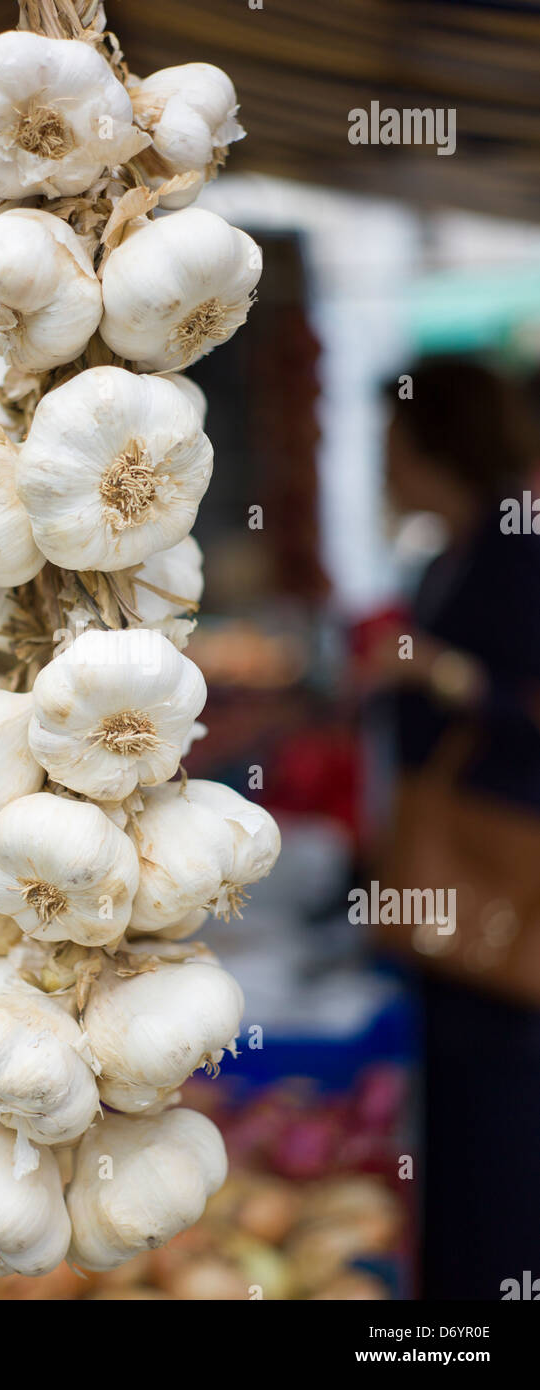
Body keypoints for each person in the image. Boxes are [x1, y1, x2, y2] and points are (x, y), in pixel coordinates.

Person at [367, 356, 540, 1300]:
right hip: (456, 906)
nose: (378, 462)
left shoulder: (519, 547)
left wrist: (432, 672)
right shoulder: (452, 553)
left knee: (502, 1147)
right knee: (461, 1136)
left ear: (434, 442)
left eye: (388, 439)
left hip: (504, 888)